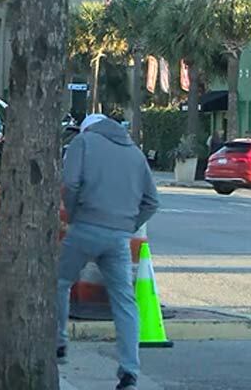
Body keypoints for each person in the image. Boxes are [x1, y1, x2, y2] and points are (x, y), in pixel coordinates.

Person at [56, 113, 159, 390]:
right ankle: (129, 370)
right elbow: (152, 202)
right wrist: (128, 224)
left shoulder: (83, 142)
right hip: (119, 237)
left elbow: (71, 182)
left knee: (60, 282)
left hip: (85, 226)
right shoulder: (136, 155)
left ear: (87, 128)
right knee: (124, 302)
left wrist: (75, 214)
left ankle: (59, 343)